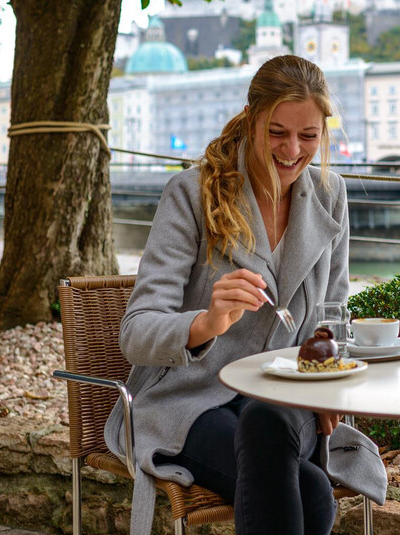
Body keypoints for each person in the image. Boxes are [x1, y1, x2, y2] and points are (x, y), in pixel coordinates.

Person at [104, 55, 351, 535]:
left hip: (287, 400)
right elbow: (135, 334)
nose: (292, 150)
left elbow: (334, 316)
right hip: (189, 401)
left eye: (308, 136)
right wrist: (207, 322)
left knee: (267, 419)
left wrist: (330, 378)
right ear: (252, 117)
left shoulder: (330, 194)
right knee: (312, 489)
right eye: (277, 132)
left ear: (324, 131)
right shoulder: (190, 195)